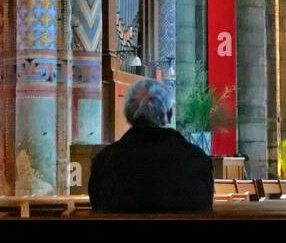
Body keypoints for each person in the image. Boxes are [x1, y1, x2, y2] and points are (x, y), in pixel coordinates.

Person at [87, 78, 214, 213]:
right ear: (169, 114)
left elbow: (97, 205)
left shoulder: (103, 161)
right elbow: (205, 207)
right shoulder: (198, 160)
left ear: (128, 115)